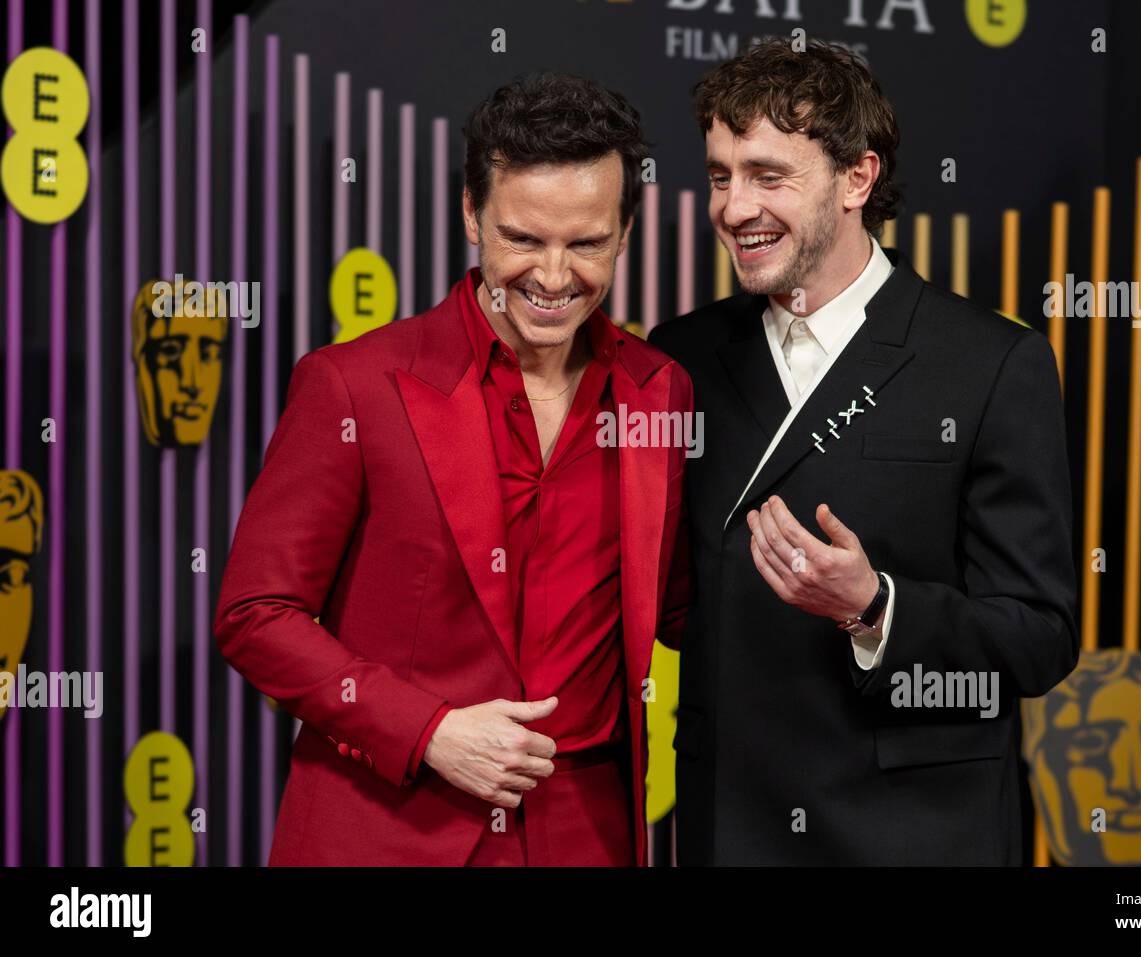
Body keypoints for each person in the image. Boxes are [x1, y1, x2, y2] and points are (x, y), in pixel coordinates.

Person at [215, 72, 692, 866]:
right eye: (522, 239)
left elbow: (682, 606)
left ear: (625, 230)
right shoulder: (354, 384)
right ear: (471, 214)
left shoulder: (659, 389)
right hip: (388, 828)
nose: (551, 276)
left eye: (585, 243)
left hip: (589, 833)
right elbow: (256, 613)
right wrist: (427, 728)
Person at [649, 39, 1079, 865]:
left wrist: (877, 605)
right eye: (720, 175)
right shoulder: (681, 358)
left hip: (914, 832)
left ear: (858, 179)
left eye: (769, 177)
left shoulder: (987, 363)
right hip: (730, 827)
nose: (735, 207)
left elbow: (1038, 637)